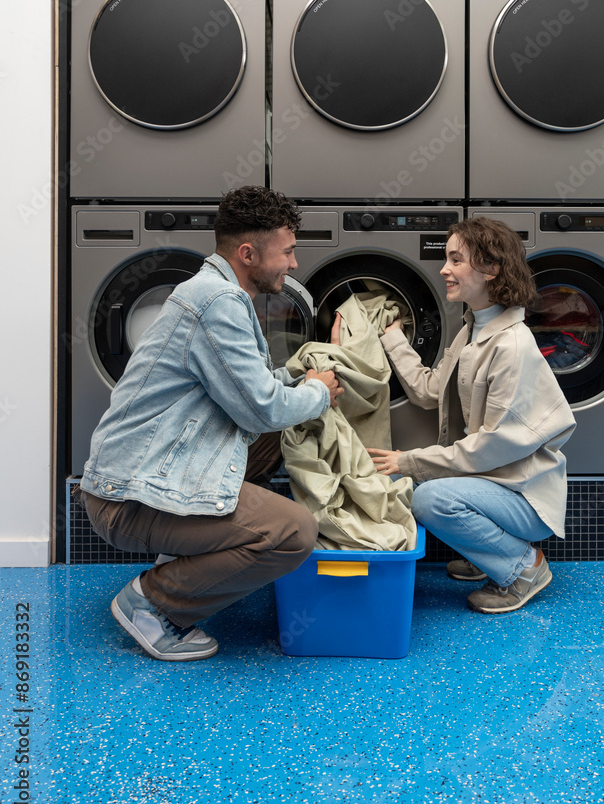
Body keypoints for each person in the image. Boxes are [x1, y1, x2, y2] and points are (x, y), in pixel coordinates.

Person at [74, 186, 343, 661]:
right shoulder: (218, 301)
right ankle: (153, 605)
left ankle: (183, 559)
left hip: (132, 482)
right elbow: (261, 408)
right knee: (294, 532)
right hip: (125, 500)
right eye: (288, 252)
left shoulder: (212, 292)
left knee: (270, 441)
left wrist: (301, 376)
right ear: (247, 253)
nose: (294, 264)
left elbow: (246, 387)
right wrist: (318, 393)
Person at [366, 216, 576, 615]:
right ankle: (488, 555)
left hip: (524, 496)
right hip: (495, 484)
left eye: (456, 260)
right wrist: (392, 336)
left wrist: (409, 461)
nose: (444, 269)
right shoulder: (473, 329)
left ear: (491, 268)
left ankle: (522, 567)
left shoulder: (512, 346)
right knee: (418, 482)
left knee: (430, 498)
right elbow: (430, 392)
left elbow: (493, 446)